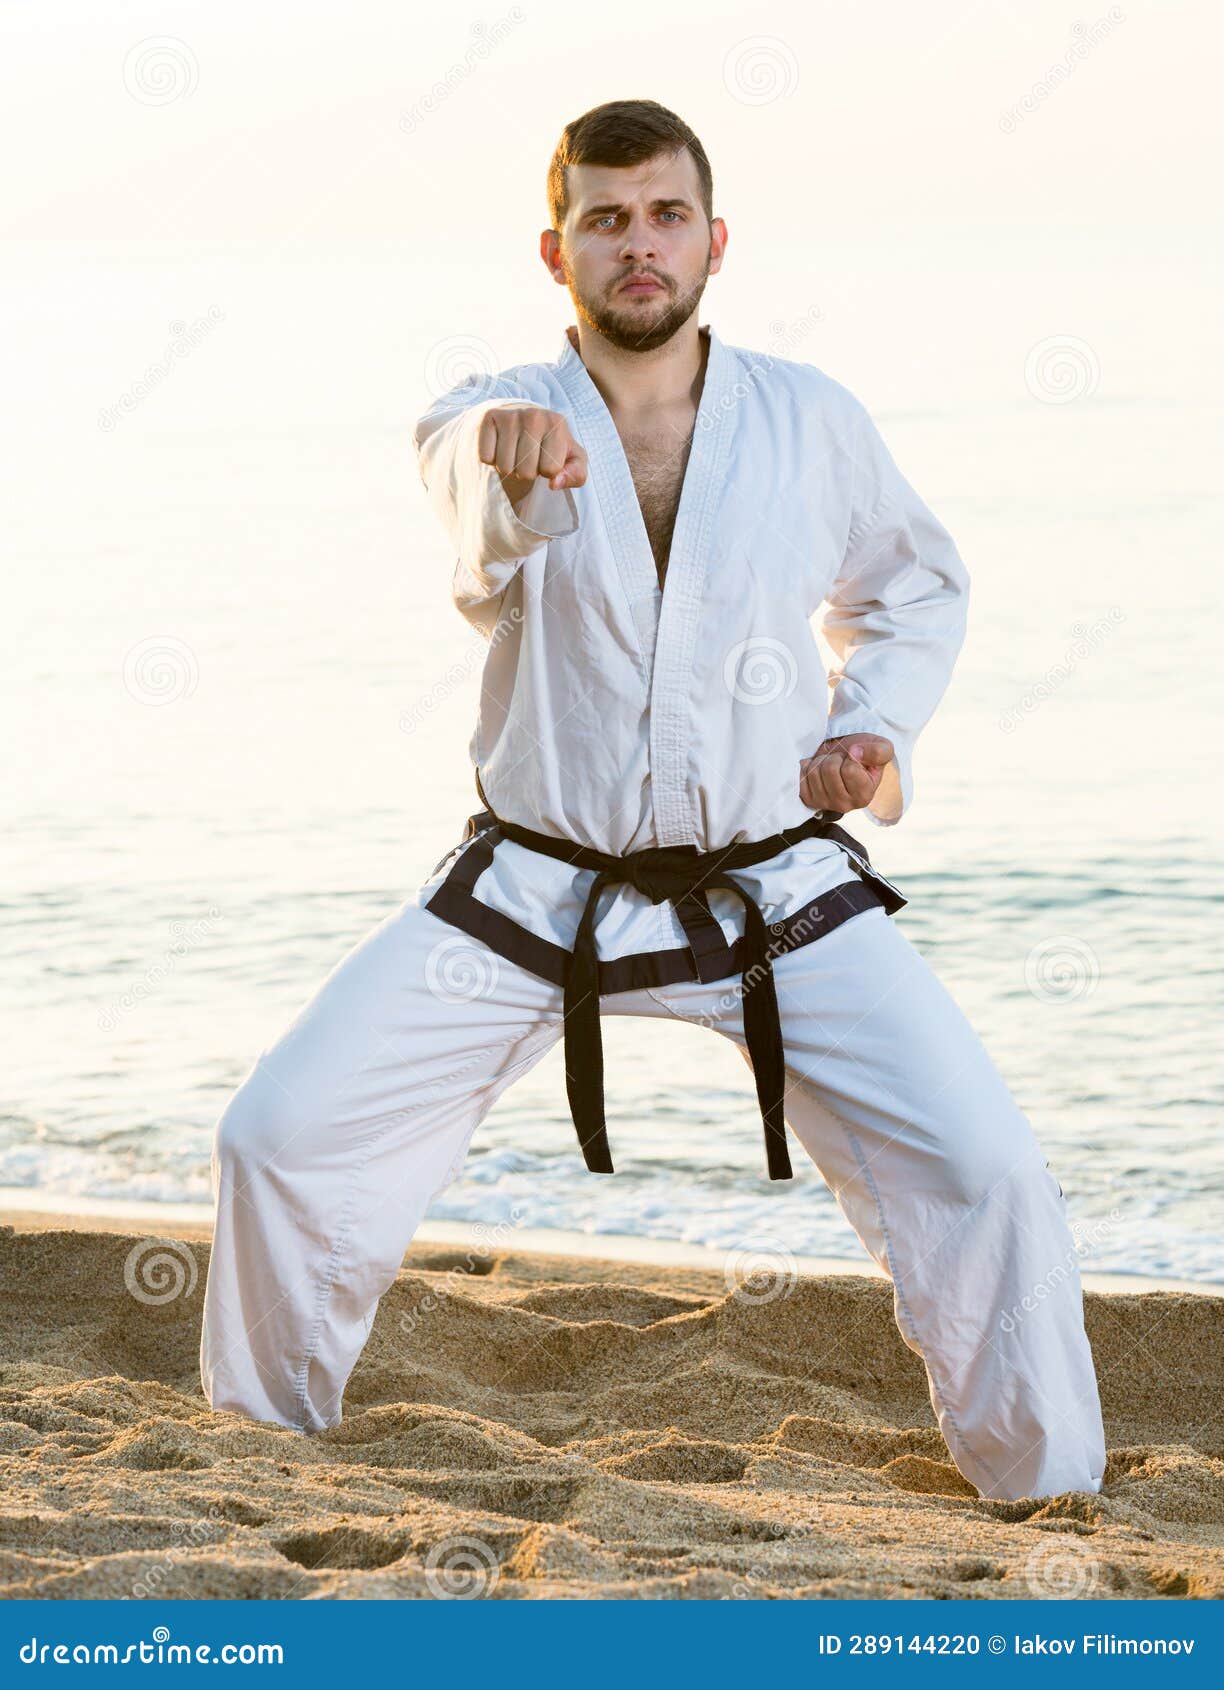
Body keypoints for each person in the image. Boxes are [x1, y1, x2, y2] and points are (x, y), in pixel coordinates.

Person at [200, 98, 1106, 1502]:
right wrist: (507, 457)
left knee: (989, 1173)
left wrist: (866, 733)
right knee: (278, 1135)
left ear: (715, 240)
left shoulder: (810, 421)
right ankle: (256, 1461)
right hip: (535, 885)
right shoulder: (488, 417)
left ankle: (1049, 1493)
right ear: (554, 249)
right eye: (606, 218)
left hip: (775, 881)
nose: (640, 245)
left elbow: (915, 587)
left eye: (666, 215)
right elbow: (473, 526)